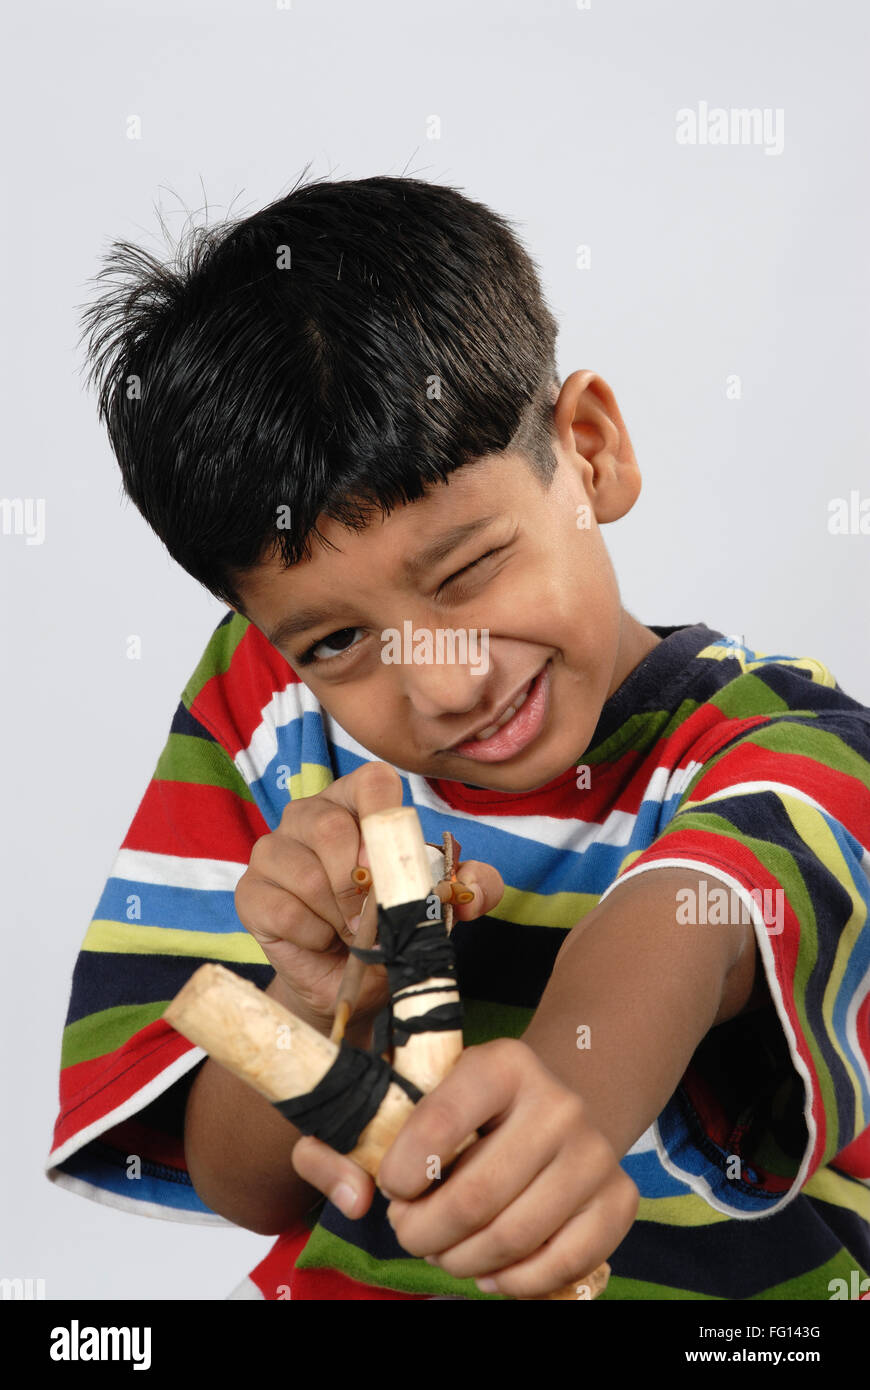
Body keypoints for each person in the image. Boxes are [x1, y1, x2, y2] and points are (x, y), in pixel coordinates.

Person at [46, 173, 870, 1301]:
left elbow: (692, 917)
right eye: (338, 638)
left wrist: (564, 1087)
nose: (444, 683)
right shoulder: (270, 713)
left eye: (471, 567)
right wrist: (310, 1002)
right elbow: (252, 1188)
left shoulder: (794, 744)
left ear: (589, 450)